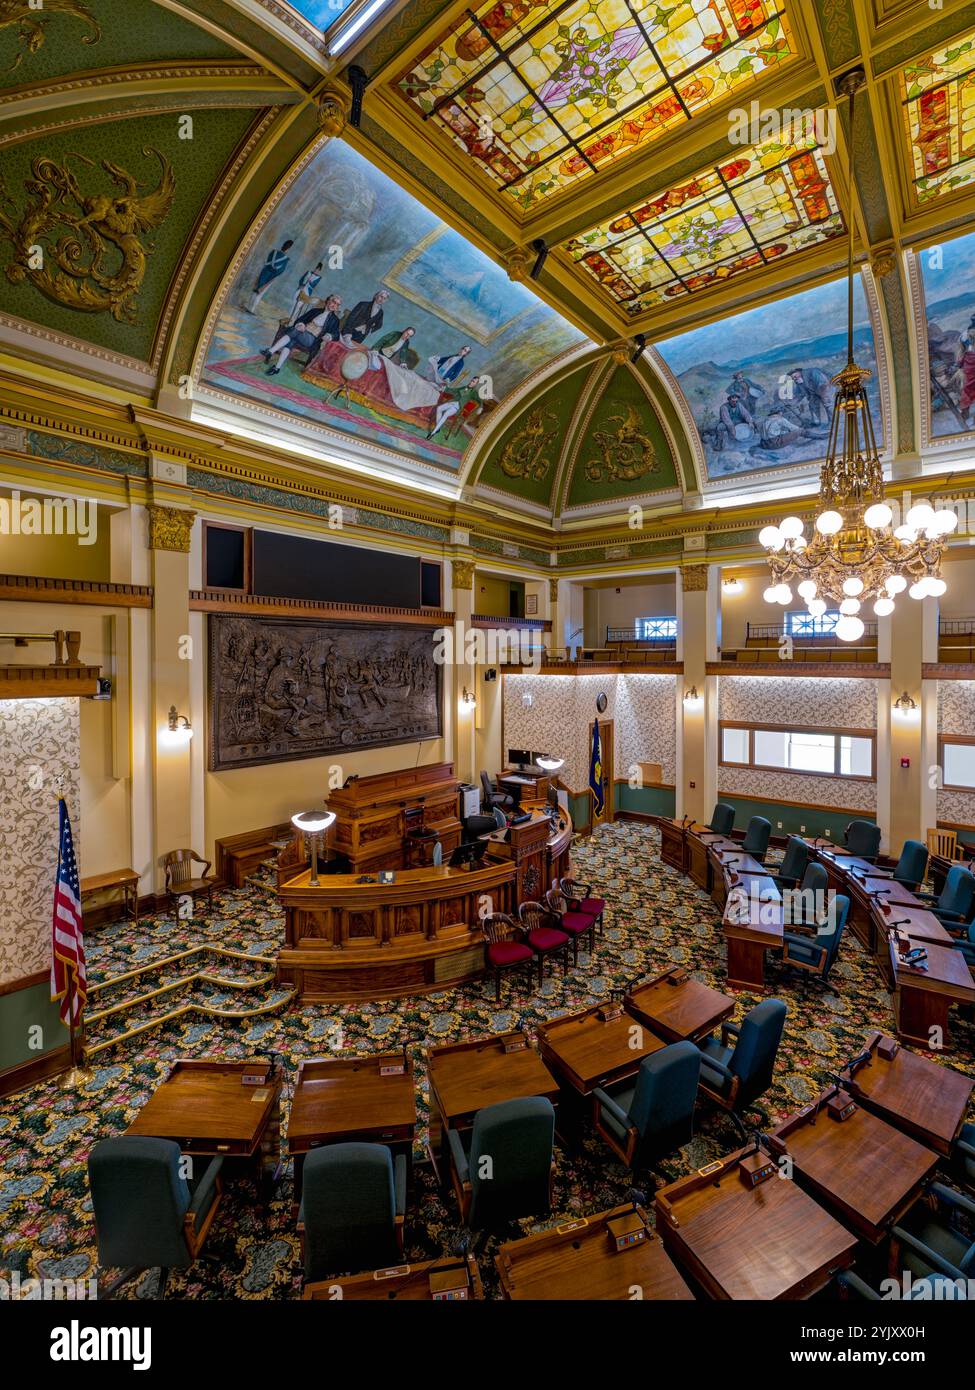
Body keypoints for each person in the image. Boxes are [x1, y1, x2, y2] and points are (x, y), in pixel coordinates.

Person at [261, 295, 342, 374]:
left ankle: (270, 351)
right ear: (328, 301)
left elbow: (336, 335)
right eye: (333, 302)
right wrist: (301, 324)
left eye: (337, 304)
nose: (334, 305)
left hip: (312, 341)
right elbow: (300, 319)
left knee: (295, 331)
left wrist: (329, 336)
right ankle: (277, 368)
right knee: (291, 340)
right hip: (301, 334)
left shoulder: (335, 320)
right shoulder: (315, 311)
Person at [427, 375, 485, 440]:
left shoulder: (474, 393)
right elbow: (453, 390)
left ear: (476, 384)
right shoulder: (463, 387)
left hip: (457, 407)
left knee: (445, 414)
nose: (471, 382)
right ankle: (438, 428)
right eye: (472, 380)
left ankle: (433, 433)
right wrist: (443, 388)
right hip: (452, 402)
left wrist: (481, 408)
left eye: (474, 382)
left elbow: (480, 401)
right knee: (439, 408)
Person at [246, 239, 294, 313]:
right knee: (261, 292)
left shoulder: (273, 252)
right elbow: (281, 271)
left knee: (256, 288)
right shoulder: (285, 259)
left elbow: (267, 261)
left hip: (264, 271)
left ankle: (248, 305)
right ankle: (251, 309)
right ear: (288, 249)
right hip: (272, 276)